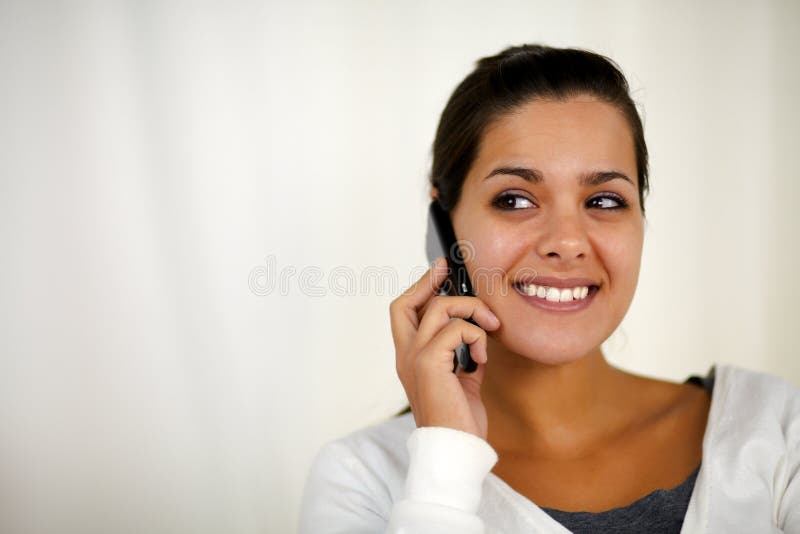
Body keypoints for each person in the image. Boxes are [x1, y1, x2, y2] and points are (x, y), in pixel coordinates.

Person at [298, 44, 800, 533]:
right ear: (443, 225)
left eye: (604, 201)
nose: (566, 241)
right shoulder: (360, 479)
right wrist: (444, 464)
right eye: (515, 200)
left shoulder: (775, 429)